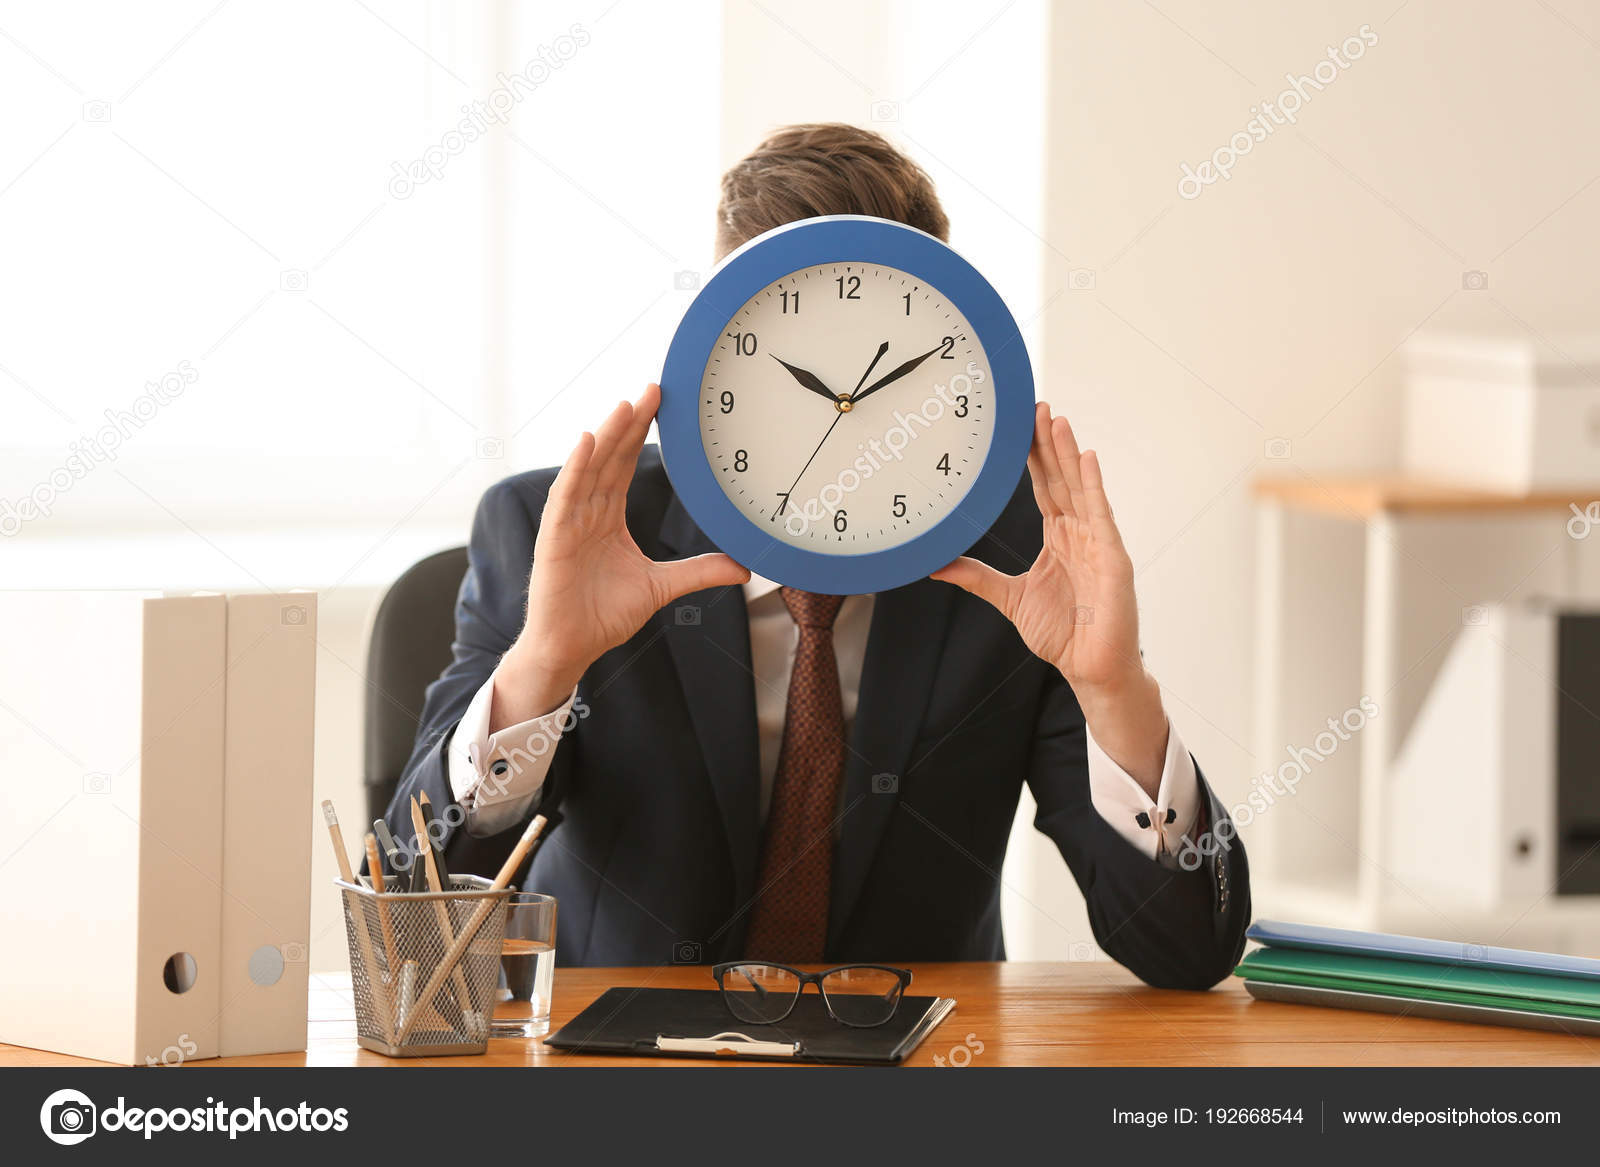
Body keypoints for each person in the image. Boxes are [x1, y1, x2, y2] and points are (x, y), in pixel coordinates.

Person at [383, 123, 1248, 987]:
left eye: (880, 383)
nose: (841, 412)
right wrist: (544, 666)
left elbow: (1189, 952)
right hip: (612, 1055)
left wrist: (1114, 691)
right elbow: (411, 908)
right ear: (716, 351)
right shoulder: (559, 531)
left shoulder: (1022, 557)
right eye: (790, 376)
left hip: (916, 1066)